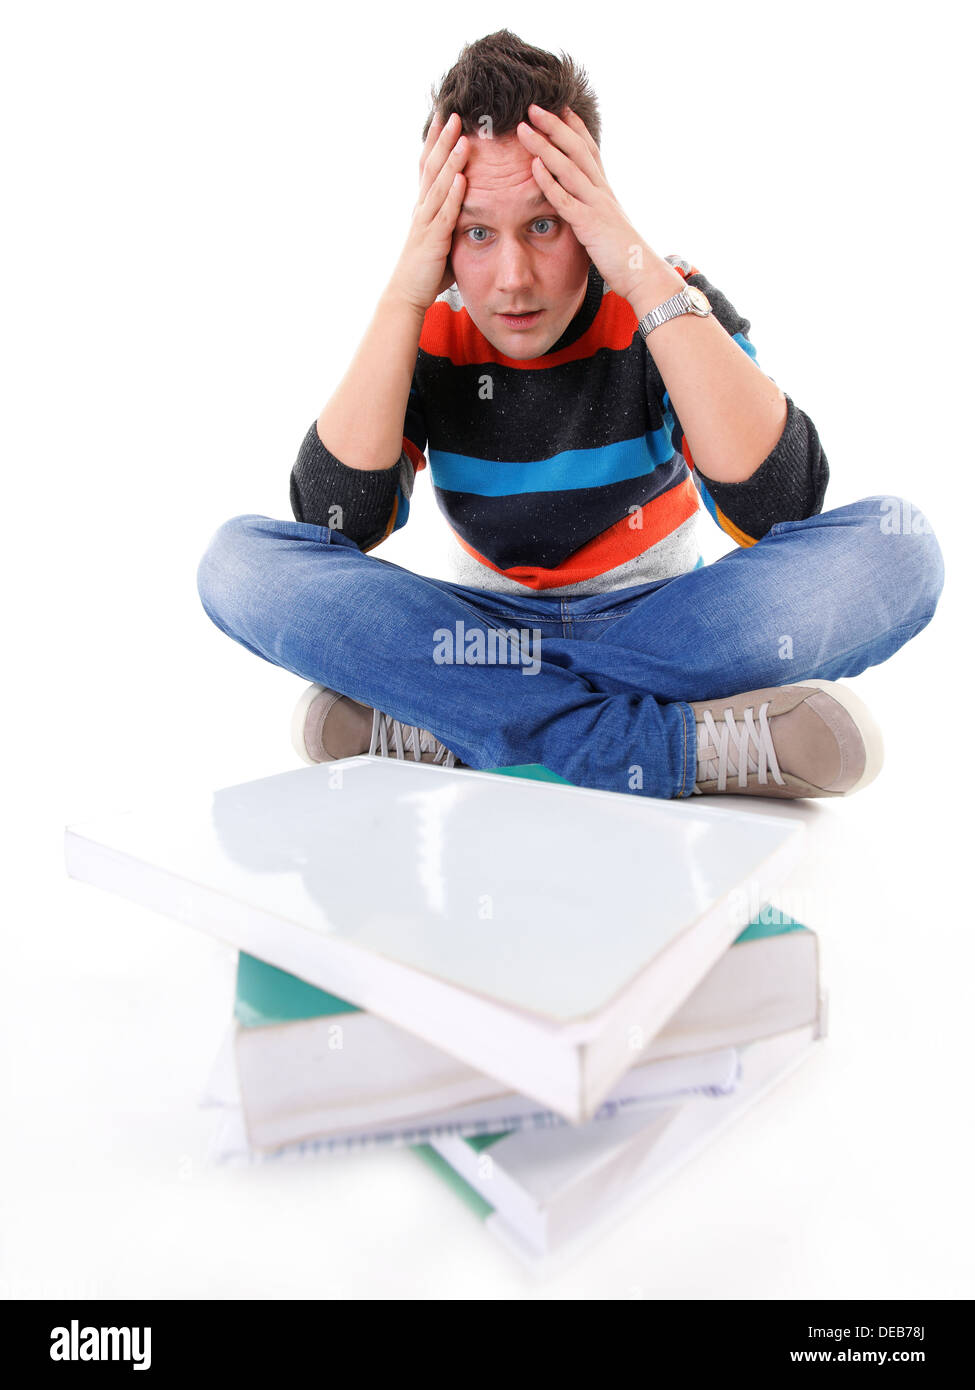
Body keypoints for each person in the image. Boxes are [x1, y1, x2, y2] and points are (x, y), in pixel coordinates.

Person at [196, 29, 944, 801]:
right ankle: (660, 744)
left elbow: (780, 506)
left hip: (663, 629)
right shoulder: (428, 323)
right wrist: (403, 293)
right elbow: (335, 523)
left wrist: (636, 268)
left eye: (544, 224)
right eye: (477, 233)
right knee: (236, 562)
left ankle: (463, 726)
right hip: (477, 636)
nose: (512, 279)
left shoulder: (663, 300)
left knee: (902, 545)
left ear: (591, 210)